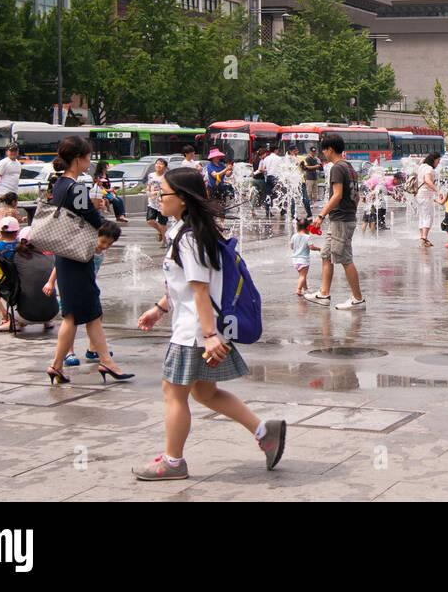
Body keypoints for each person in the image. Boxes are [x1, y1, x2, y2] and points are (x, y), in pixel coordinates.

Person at [133, 166, 286, 481]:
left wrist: (209, 336)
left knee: (173, 393)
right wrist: (159, 309)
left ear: (184, 199)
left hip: (194, 332)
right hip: (201, 328)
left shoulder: (190, 239)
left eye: (163, 194)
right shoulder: (189, 232)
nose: (157, 198)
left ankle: (173, 462)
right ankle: (263, 432)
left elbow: (201, 291)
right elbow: (186, 288)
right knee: (205, 393)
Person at [44, 135, 132, 386]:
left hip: (66, 255)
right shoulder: (76, 188)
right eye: (88, 157)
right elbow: (93, 219)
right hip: (77, 257)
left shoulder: (60, 185)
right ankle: (58, 365)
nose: (90, 161)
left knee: (90, 312)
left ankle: (101, 361)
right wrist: (110, 226)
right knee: (75, 314)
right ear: (78, 159)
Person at [50, 220, 122, 365]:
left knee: (97, 316)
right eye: (103, 241)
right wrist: (50, 282)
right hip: (72, 287)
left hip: (88, 286)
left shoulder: (99, 252)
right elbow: (59, 266)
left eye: (110, 244)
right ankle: (69, 352)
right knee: (72, 320)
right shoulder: (83, 247)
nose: (105, 246)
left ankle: (93, 349)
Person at [307, 133, 364, 309]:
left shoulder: (337, 168)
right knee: (326, 255)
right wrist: (350, 211)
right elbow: (357, 196)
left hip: (341, 220)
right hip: (341, 218)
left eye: (324, 150)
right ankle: (324, 293)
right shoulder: (349, 167)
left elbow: (338, 195)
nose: (323, 154)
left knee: (345, 258)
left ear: (329, 149)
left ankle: (357, 299)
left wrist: (321, 215)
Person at [415, 152, 440, 247]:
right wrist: (437, 191)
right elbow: (427, 180)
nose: (438, 163)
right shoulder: (429, 169)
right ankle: (424, 238)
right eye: (438, 161)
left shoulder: (421, 166)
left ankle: (423, 237)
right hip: (425, 195)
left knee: (422, 216)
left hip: (418, 195)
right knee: (428, 216)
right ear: (434, 160)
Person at [290, 217, 319, 296]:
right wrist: (319, 249)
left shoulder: (294, 236)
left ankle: (305, 288)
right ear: (307, 228)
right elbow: (311, 247)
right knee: (303, 276)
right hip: (303, 260)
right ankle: (298, 290)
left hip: (295, 260)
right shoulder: (307, 237)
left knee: (302, 276)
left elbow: (292, 247)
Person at [146, 158, 170, 244]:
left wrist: (159, 192)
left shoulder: (166, 177)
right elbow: (148, 187)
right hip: (152, 201)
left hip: (162, 202)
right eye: (157, 163)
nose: (158, 165)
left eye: (161, 164)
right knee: (150, 220)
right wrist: (148, 192)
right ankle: (160, 231)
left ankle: (164, 241)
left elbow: (168, 189)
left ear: (165, 167)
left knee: (162, 223)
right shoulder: (151, 175)